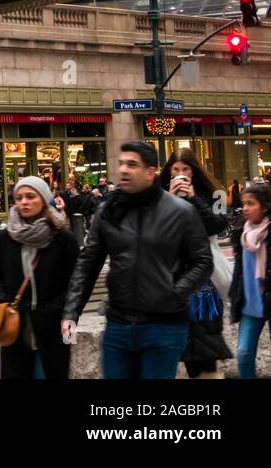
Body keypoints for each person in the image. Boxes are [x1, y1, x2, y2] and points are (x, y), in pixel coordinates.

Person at [62, 142, 212, 379]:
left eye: (132, 165)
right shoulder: (108, 210)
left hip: (164, 326)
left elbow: (203, 261)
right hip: (118, 324)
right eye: (121, 163)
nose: (123, 170)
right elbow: (88, 262)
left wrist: (175, 293)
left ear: (150, 172)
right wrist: (71, 311)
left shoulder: (181, 211)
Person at [0, 176, 79, 379]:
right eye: (19, 197)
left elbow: (75, 283)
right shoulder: (7, 237)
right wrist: (5, 303)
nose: (24, 202)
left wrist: (55, 310)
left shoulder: (63, 238)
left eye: (30, 196)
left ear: (44, 199)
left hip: (53, 327)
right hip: (15, 329)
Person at [161, 149, 232, 378]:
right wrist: (169, 198)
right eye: (176, 170)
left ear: (194, 170)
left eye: (185, 169)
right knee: (186, 347)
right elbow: (158, 231)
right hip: (175, 278)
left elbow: (219, 226)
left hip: (205, 283)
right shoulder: (160, 196)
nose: (181, 174)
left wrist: (194, 198)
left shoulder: (216, 193)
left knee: (207, 343)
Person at [231, 182, 271, 378]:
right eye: (243, 203)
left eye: (251, 203)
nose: (245, 208)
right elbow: (239, 269)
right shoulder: (241, 233)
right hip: (250, 301)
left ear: (265, 207)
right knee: (243, 353)